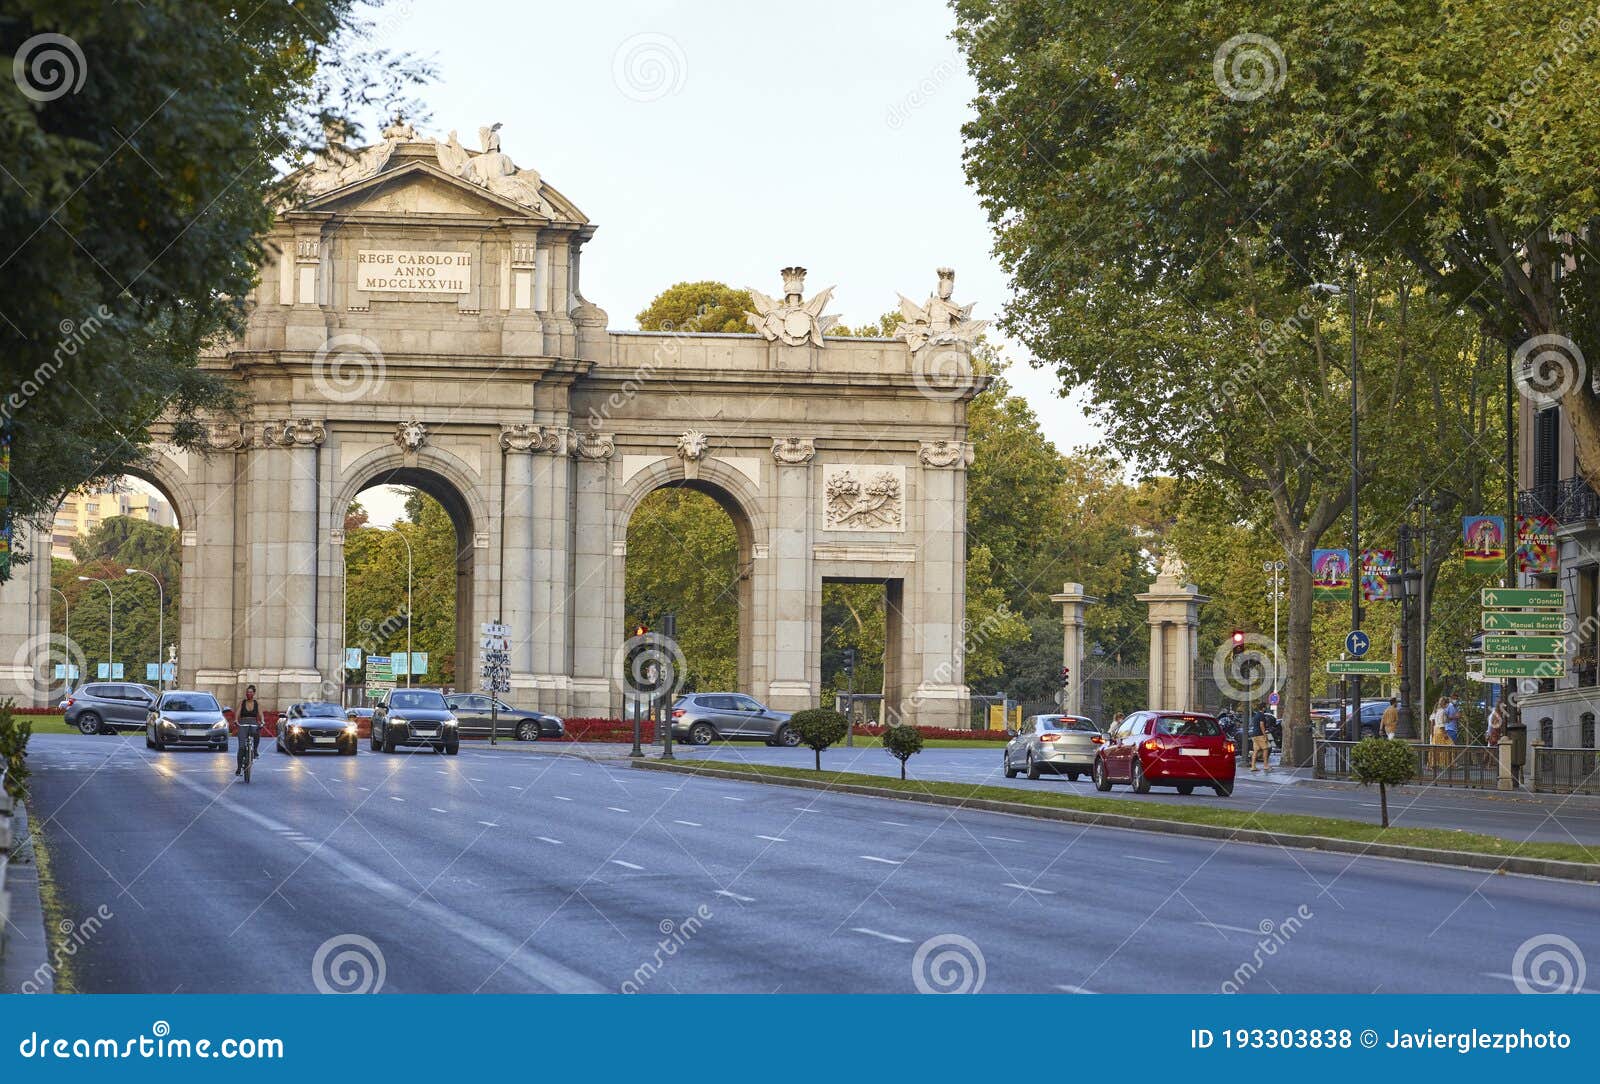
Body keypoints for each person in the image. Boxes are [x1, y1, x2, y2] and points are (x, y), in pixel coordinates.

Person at [236, 684, 263, 777]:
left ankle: (254, 750)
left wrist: (262, 721)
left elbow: (260, 713)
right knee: (241, 747)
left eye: (251, 692)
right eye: (247, 692)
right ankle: (239, 768)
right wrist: (236, 720)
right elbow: (238, 712)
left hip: (253, 722)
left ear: (254, 693)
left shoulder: (257, 703)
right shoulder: (242, 702)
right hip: (243, 723)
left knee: (257, 733)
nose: (249, 694)